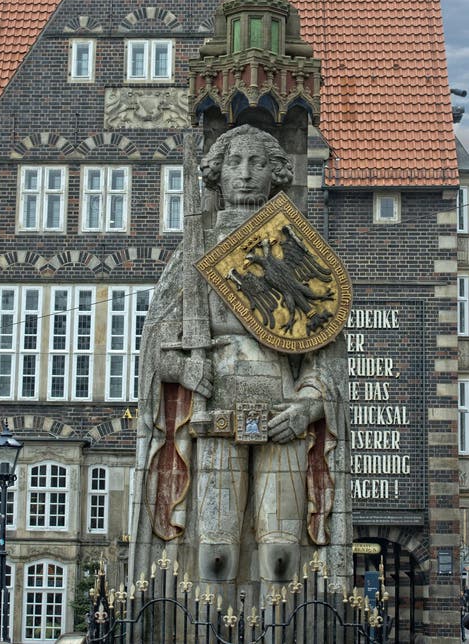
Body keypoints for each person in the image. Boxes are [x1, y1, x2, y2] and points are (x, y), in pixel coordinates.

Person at [129, 125, 351, 597]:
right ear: (217, 173)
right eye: (235, 163)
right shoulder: (196, 251)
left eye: (257, 163)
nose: (246, 174)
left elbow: (324, 355)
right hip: (215, 413)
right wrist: (186, 369)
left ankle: (281, 628)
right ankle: (209, 623)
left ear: (275, 173)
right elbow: (157, 345)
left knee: (281, 554)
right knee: (215, 552)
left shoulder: (294, 248)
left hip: (282, 414)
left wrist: (307, 409)